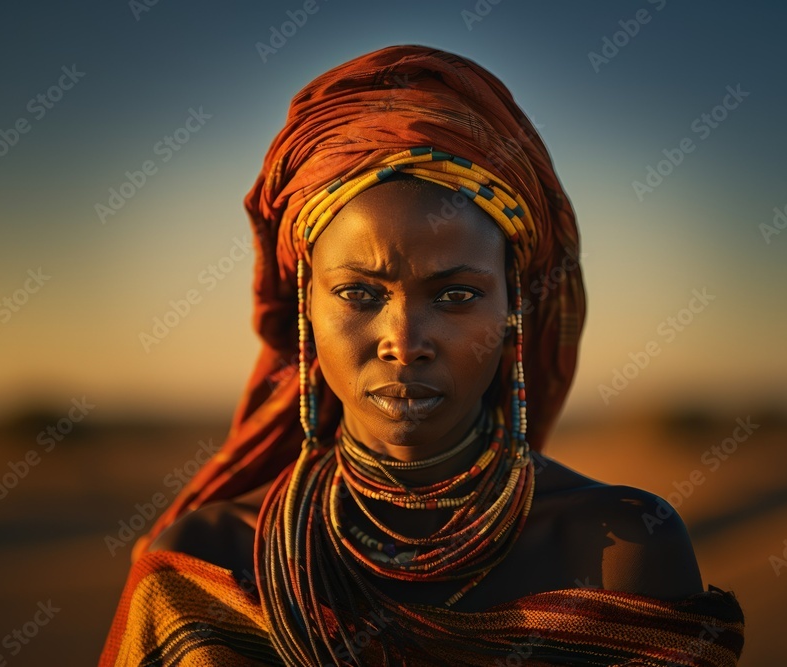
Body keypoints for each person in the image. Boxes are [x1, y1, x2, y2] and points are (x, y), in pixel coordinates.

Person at [99, 45, 744, 666]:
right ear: (306, 306)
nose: (404, 342)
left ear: (513, 308)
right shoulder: (205, 566)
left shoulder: (619, 549)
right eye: (358, 293)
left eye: (457, 294)